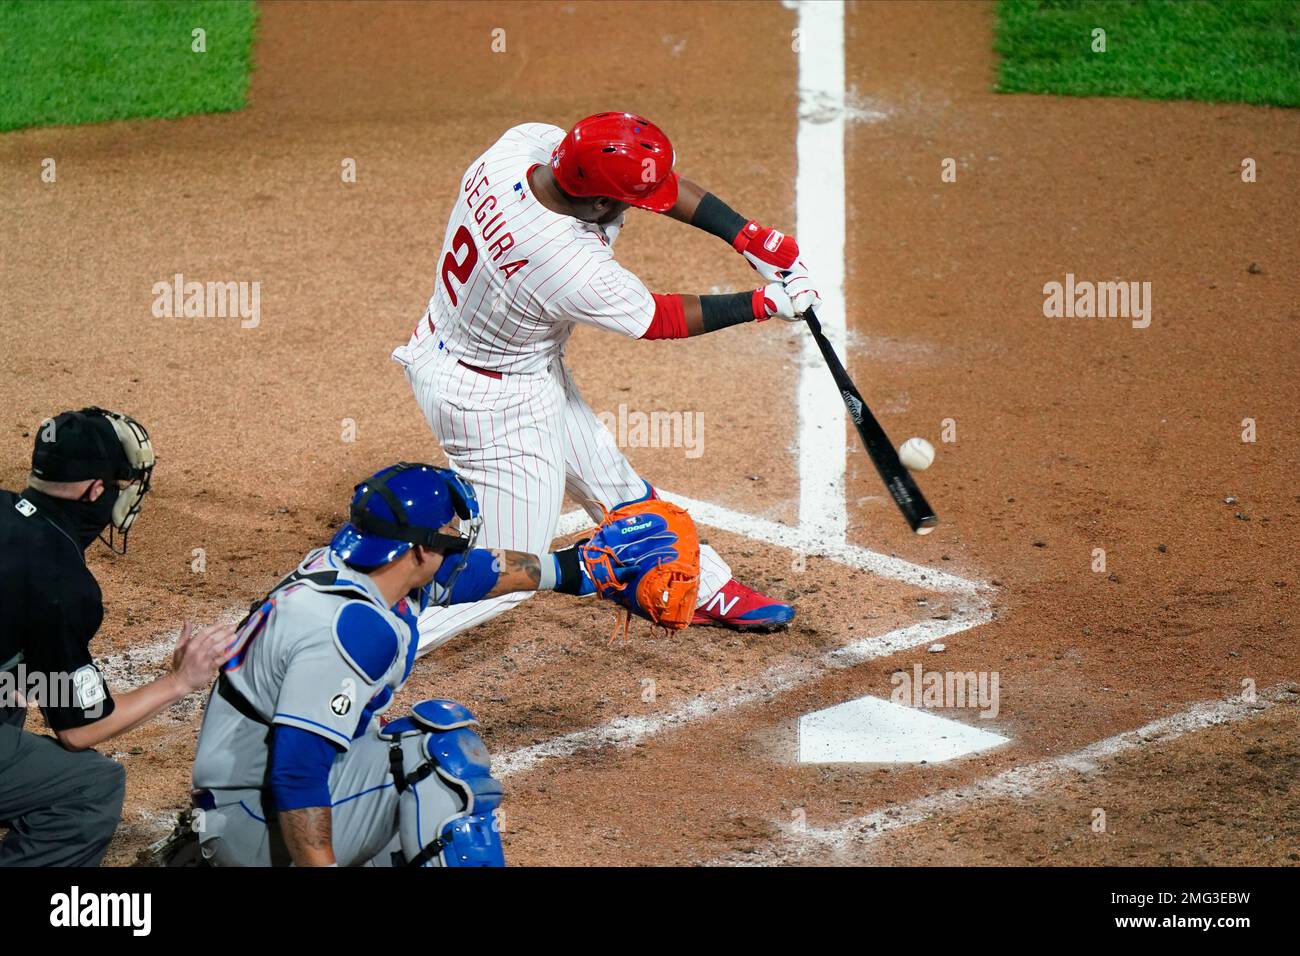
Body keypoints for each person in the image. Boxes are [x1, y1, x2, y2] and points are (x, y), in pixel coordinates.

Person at [392, 111, 824, 656]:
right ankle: (357, 645)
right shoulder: (567, 263)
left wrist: (746, 235)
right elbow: (659, 318)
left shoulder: (518, 151)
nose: (636, 209)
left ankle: (704, 586)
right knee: (504, 575)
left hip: (481, 352)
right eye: (625, 204)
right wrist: (765, 303)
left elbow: (650, 183)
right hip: (489, 404)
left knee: (617, 488)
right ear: (598, 203)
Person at [189, 461, 636, 866]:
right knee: (439, 764)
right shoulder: (350, 632)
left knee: (403, 756)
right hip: (254, 822)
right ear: (420, 550)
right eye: (447, 534)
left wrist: (574, 568)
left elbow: (471, 574)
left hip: (249, 792)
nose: (456, 545)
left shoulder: (358, 567)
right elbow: (297, 773)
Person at [0, 407, 232, 866]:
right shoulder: (59, 582)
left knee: (13, 688)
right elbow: (80, 730)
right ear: (95, 490)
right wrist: (179, 681)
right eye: (121, 485)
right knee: (90, 786)